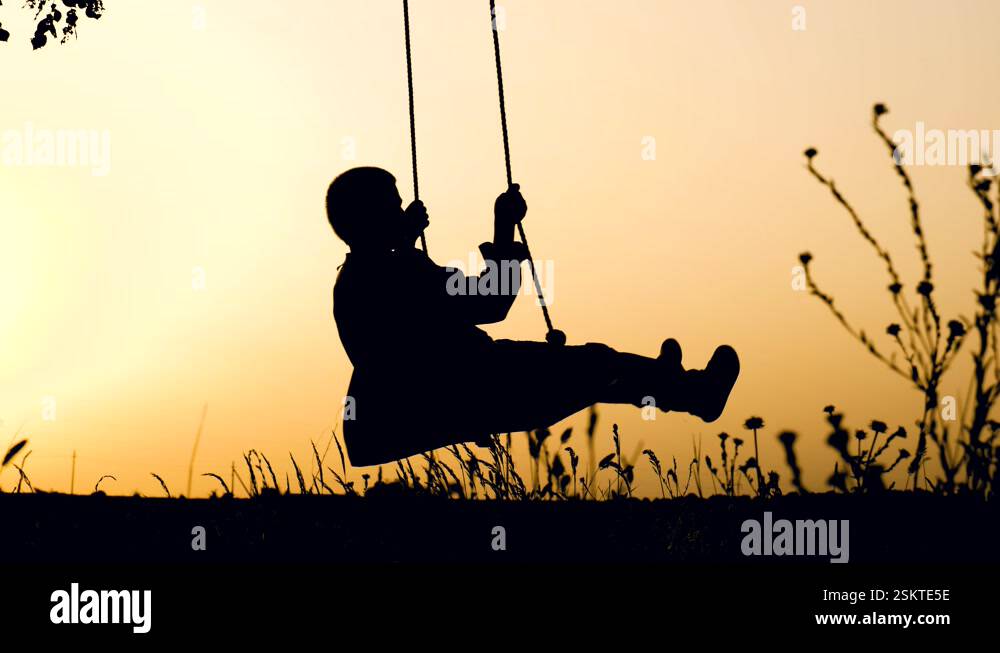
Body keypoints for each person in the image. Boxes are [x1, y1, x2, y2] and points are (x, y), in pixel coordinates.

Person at [328, 166, 739, 466]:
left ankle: (665, 381)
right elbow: (492, 303)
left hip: (433, 401)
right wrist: (504, 226)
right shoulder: (397, 272)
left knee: (595, 368)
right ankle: (687, 391)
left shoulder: (358, 277)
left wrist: (401, 240)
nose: (408, 213)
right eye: (397, 208)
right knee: (595, 366)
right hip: (474, 388)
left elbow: (410, 315)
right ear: (377, 218)